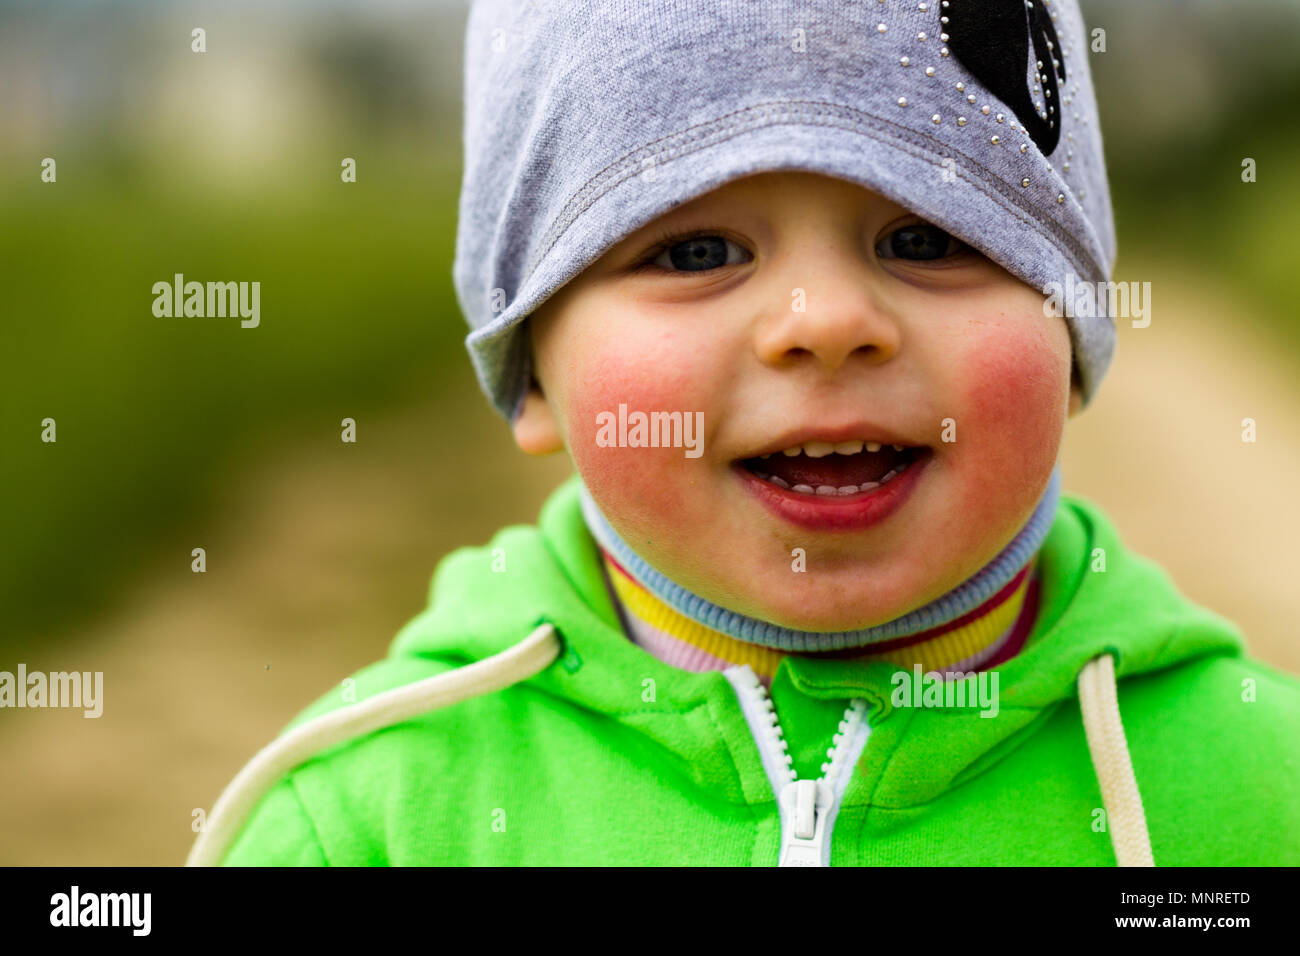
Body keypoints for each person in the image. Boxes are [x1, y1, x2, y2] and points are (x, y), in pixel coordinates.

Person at [190, 0, 1300, 866]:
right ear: (531, 376)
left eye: (926, 236)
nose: (825, 325)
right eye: (692, 251)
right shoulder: (369, 818)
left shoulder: (1253, 793)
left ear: (1072, 335)